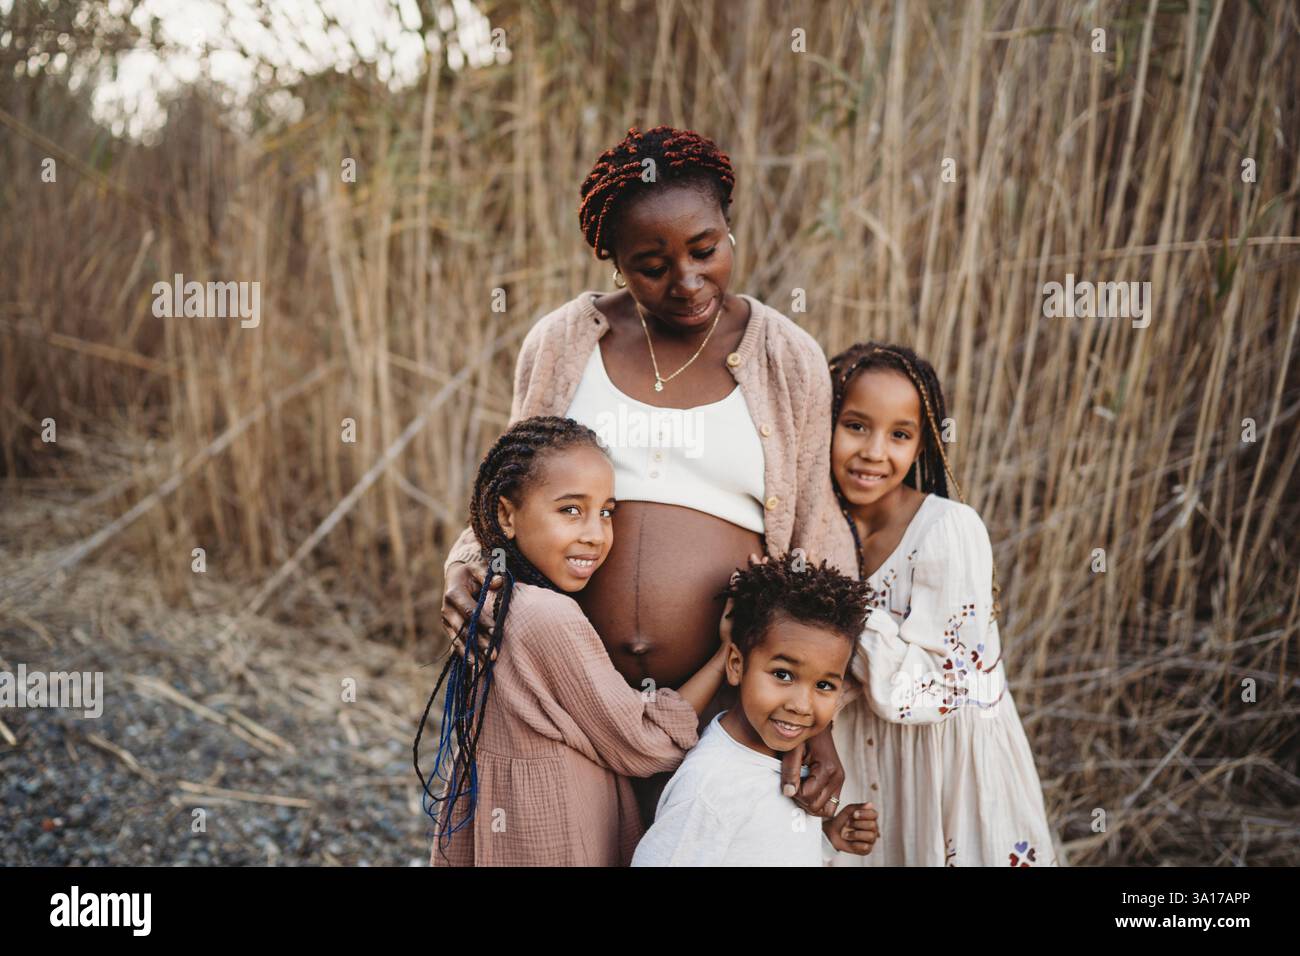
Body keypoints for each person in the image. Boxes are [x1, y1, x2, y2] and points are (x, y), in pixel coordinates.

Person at [439, 126, 856, 826]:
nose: (688, 281)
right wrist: (467, 564)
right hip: (565, 701)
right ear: (613, 261)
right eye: (651, 264)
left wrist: (816, 723)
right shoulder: (564, 343)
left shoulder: (788, 357)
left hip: (723, 712)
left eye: (705, 250)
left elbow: (815, 532)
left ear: (730, 228)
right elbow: (508, 488)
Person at [414, 416, 730, 866]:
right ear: (506, 514)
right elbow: (646, 743)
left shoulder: (494, 599)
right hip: (555, 833)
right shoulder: (547, 616)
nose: (595, 535)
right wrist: (725, 655)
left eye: (606, 512)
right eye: (570, 510)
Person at [825, 342, 1058, 866]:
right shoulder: (818, 527)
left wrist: (835, 605)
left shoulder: (949, 531)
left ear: (923, 445)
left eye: (899, 435)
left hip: (947, 774)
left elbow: (929, 688)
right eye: (855, 425)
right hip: (865, 772)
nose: (873, 452)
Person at [632, 554, 879, 866]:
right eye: (783, 675)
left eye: (825, 686)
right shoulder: (710, 787)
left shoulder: (781, 763)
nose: (801, 706)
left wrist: (827, 839)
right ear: (736, 665)